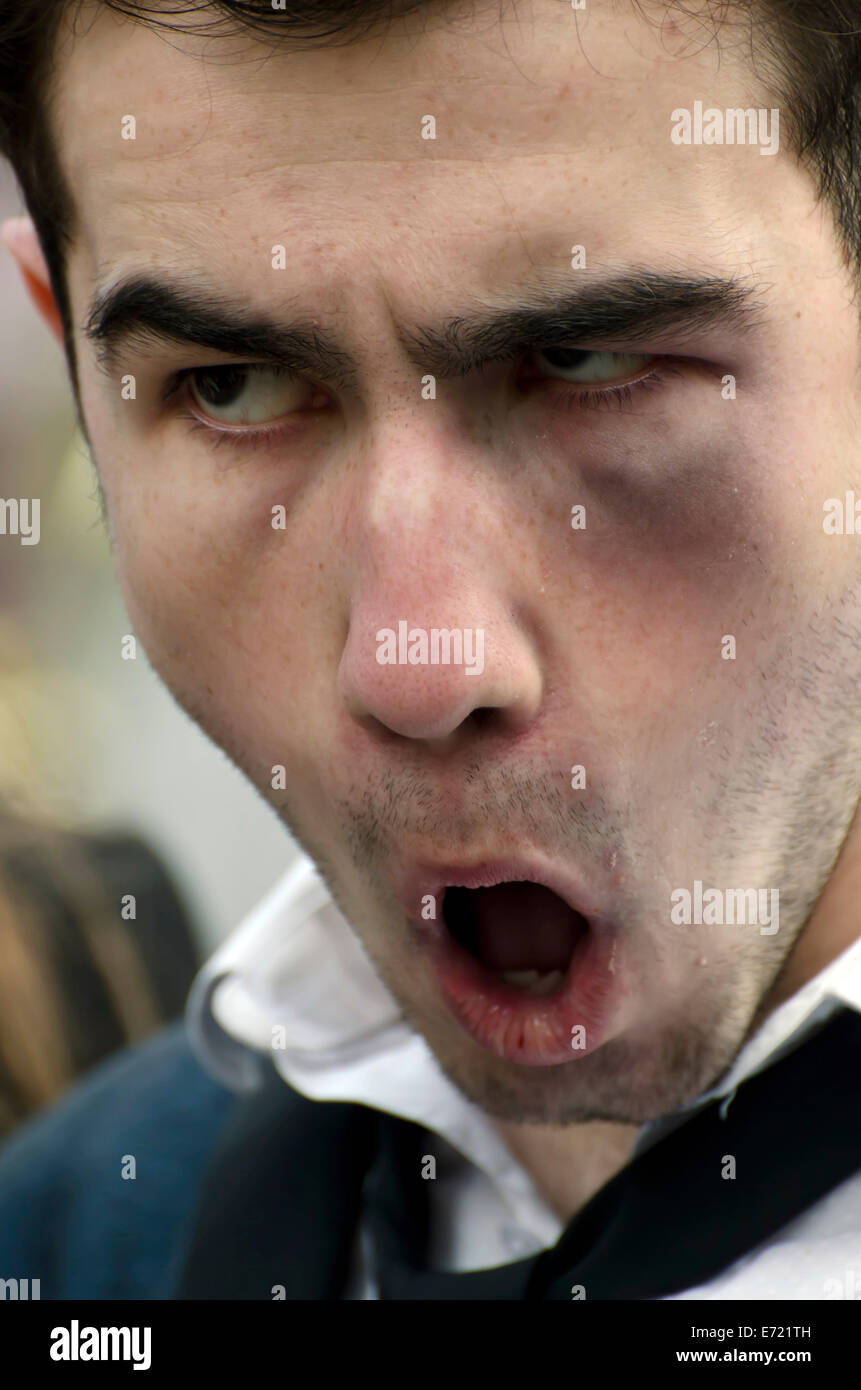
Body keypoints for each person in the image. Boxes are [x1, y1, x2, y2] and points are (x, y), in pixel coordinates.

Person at [0, 0, 860, 1300]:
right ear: (64, 351)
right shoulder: (72, 1242)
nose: (418, 663)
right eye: (228, 383)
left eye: (588, 360)